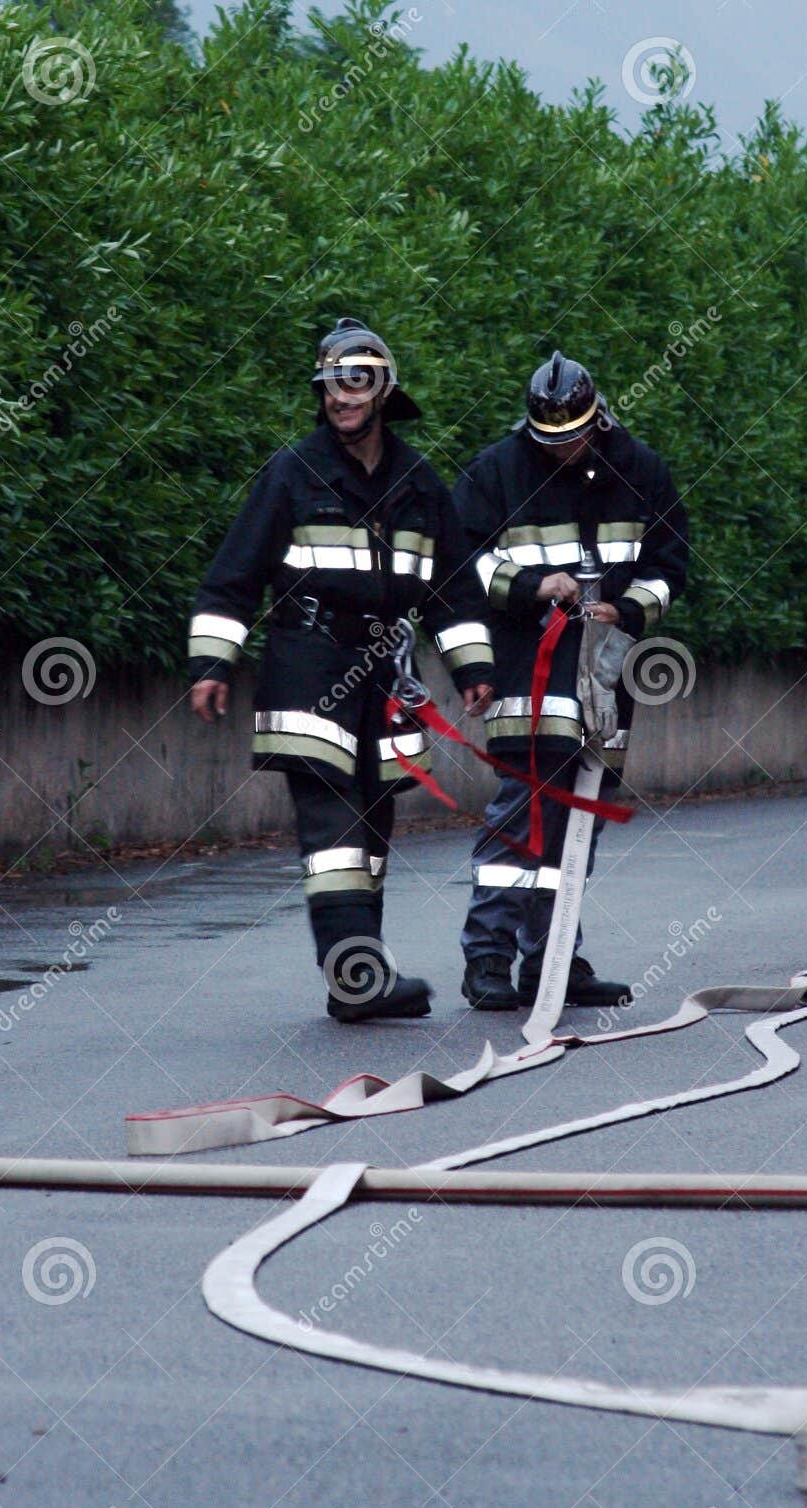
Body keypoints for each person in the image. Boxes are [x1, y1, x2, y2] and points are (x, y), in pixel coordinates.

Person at [188, 318, 494, 1020]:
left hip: (385, 674)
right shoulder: (291, 473)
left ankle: (358, 972)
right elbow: (231, 578)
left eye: (355, 382)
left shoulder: (419, 483)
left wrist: (473, 664)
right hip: (309, 669)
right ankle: (360, 984)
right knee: (334, 833)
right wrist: (213, 661)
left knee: (374, 830)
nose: (340, 396)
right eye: (329, 384)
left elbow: (453, 587)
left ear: (383, 390)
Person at [457, 351, 688, 1010]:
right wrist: (532, 587)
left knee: (579, 817)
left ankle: (554, 958)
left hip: (604, 676)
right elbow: (459, 561)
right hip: (528, 667)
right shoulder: (496, 471)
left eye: (574, 437)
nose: (561, 449)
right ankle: (489, 958)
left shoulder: (639, 469)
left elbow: (670, 562)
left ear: (599, 419)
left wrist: (631, 608)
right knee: (522, 811)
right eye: (548, 440)